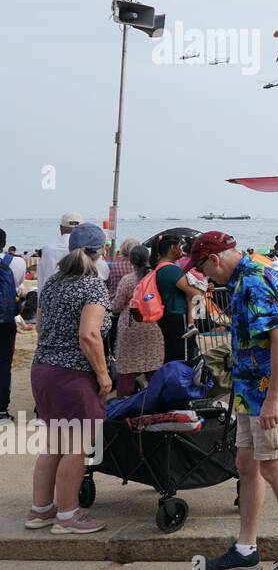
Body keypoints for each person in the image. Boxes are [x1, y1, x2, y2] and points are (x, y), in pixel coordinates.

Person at [191, 232, 278, 570]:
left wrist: (274, 396)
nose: (204, 277)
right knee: (247, 465)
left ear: (214, 259)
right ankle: (246, 550)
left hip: (269, 389)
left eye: (202, 269)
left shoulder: (254, 281)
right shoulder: (248, 275)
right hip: (252, 386)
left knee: (275, 468)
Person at [24, 224, 112, 534]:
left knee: (54, 443)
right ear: (100, 252)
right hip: (72, 373)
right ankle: (67, 515)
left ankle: (41, 510)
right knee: (77, 445)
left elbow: (40, 327)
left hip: (43, 369)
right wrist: (103, 375)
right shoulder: (93, 286)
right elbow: (89, 335)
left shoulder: (52, 284)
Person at [109, 244, 164, 396]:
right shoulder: (156, 277)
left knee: (127, 371)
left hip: (131, 326)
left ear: (131, 262)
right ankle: (155, 405)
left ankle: (124, 407)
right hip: (154, 325)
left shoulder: (127, 280)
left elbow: (117, 306)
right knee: (153, 368)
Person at [153, 234, 199, 364]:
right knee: (184, 357)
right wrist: (203, 287)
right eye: (179, 247)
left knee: (172, 355)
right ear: (172, 247)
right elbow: (195, 293)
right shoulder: (171, 270)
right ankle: (181, 383)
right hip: (178, 316)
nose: (182, 250)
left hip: (167, 315)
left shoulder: (159, 267)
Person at [0, 228, 25, 421]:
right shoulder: (16, 262)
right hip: (6, 321)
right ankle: (1, 410)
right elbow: (18, 288)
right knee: (3, 364)